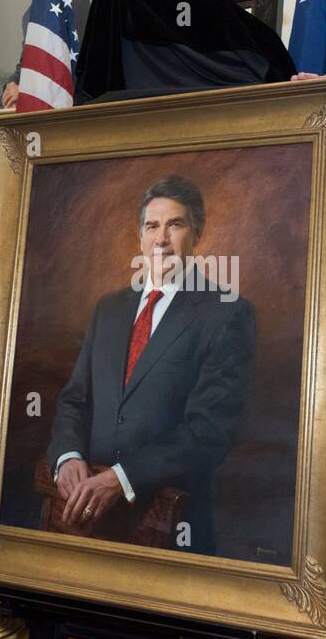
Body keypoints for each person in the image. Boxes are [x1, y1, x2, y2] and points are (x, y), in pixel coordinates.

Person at [45, 175, 256, 556]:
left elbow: (208, 432)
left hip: (169, 526)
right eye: (151, 226)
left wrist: (121, 479)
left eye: (175, 224)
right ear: (140, 236)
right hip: (84, 517)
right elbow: (75, 401)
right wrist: (68, 456)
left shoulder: (227, 313)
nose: (161, 239)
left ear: (198, 232)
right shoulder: (108, 310)